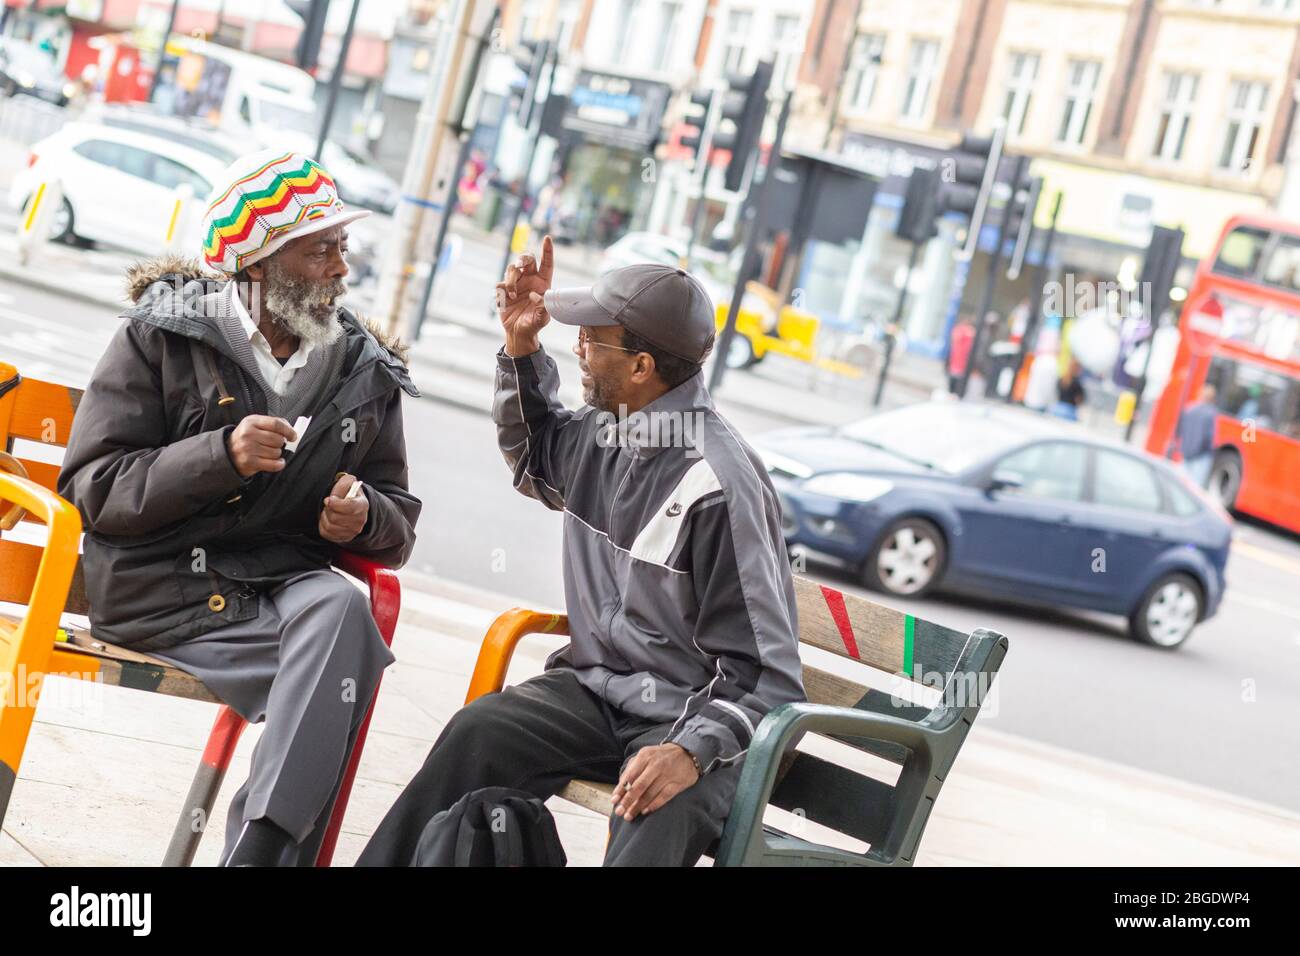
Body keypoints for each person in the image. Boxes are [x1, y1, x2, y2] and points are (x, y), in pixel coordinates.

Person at [359, 236, 805, 868]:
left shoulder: (719, 485)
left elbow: (770, 678)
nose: (578, 349)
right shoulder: (609, 428)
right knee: (479, 734)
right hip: (600, 691)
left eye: (593, 340)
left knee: (651, 804)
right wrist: (520, 345)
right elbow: (536, 458)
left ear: (643, 367)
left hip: (695, 720)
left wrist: (689, 751)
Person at [58, 149, 422, 866]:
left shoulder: (359, 364)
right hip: (161, 592)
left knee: (342, 615)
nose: (341, 270)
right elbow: (93, 488)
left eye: (342, 249)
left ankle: (257, 851)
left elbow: (398, 516)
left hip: (275, 595)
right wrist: (217, 455)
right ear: (257, 263)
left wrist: (366, 515)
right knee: (338, 666)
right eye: (321, 252)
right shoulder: (160, 337)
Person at [1176, 384, 1220, 487]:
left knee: (1182, 486)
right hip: (1201, 456)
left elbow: (1179, 430)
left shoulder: (1189, 409)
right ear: (1213, 399)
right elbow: (1209, 437)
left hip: (1186, 453)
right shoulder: (1211, 413)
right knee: (1195, 488)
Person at [947, 313, 975, 393]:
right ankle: (953, 392)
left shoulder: (966, 331)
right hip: (958, 358)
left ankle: (953, 392)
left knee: (956, 376)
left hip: (960, 359)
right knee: (955, 376)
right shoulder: (967, 331)